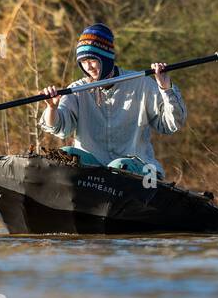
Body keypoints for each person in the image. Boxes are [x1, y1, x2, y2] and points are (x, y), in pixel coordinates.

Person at [39, 23, 184, 180]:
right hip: (93, 171)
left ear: (106, 58)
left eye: (92, 60)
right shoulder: (77, 89)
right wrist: (52, 108)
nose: (88, 67)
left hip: (140, 168)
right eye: (83, 61)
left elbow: (171, 124)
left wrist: (166, 89)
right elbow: (59, 127)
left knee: (119, 167)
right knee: (64, 155)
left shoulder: (141, 83)